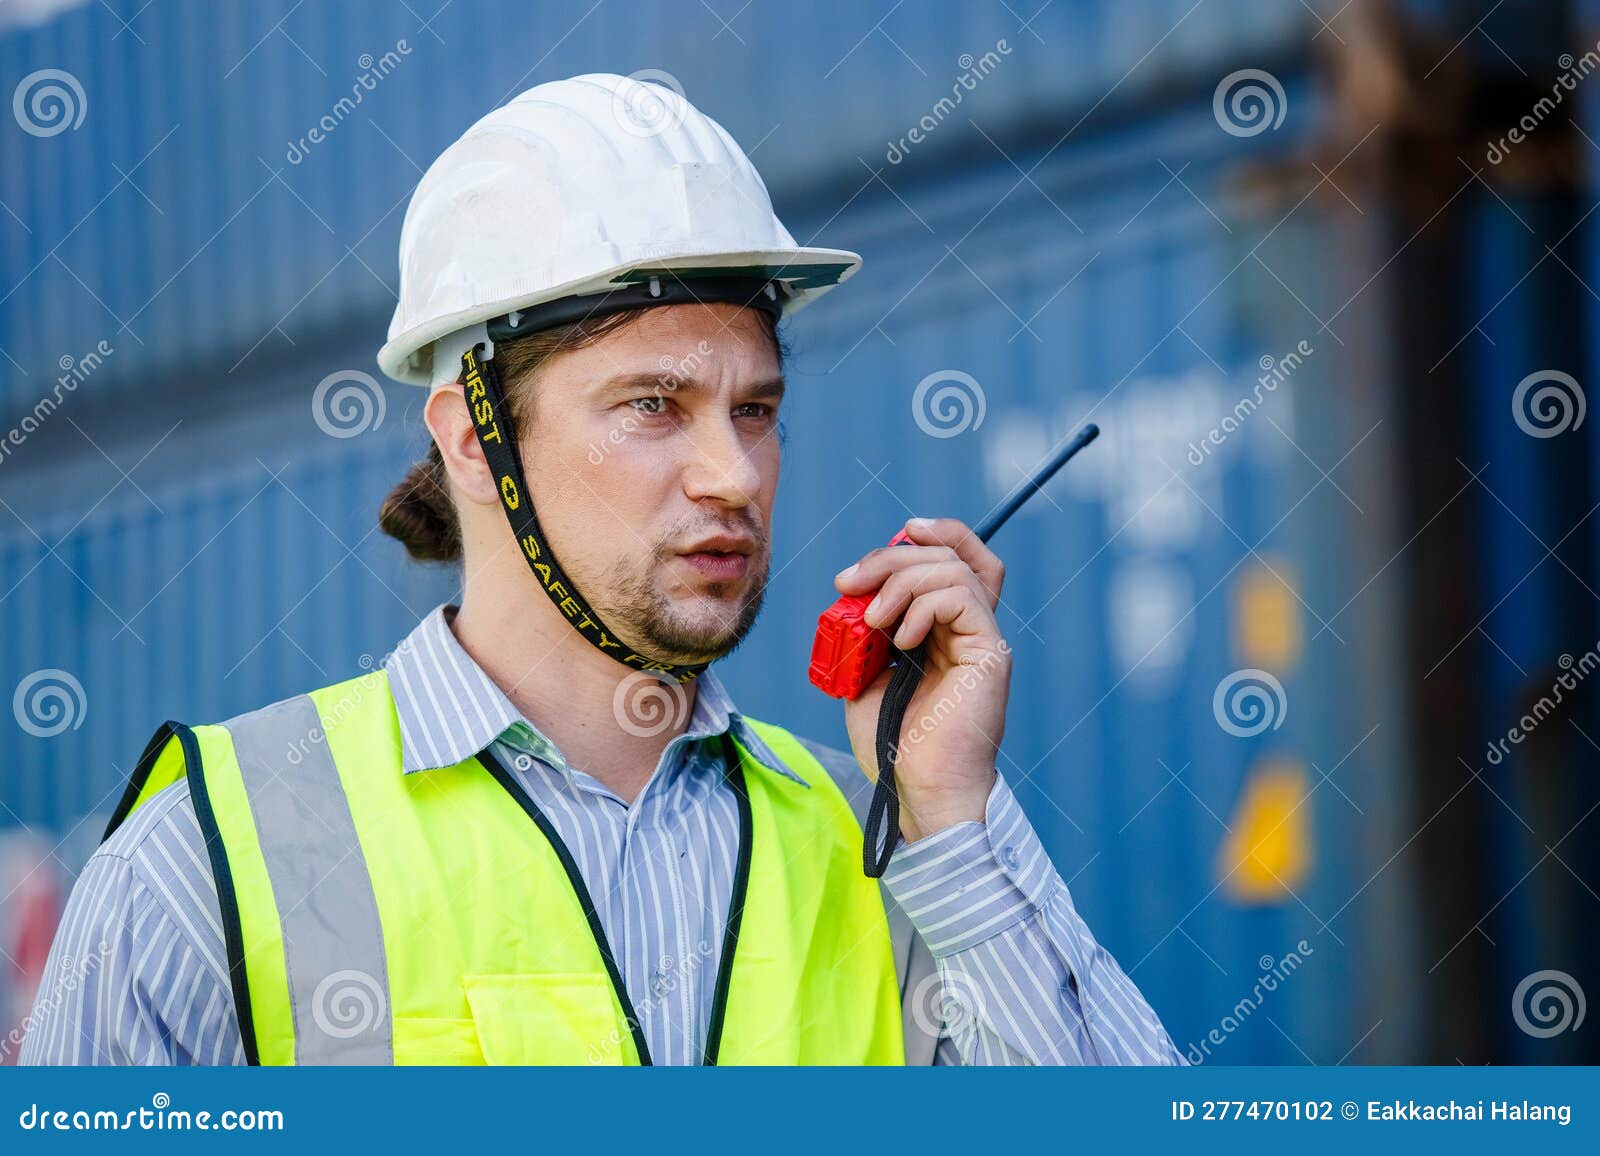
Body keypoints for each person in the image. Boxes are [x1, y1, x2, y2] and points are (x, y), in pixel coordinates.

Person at [21, 73, 1180, 1066]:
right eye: (653, 406)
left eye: (756, 408)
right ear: (475, 440)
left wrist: (952, 822)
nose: (733, 471)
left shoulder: (888, 847)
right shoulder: (209, 860)